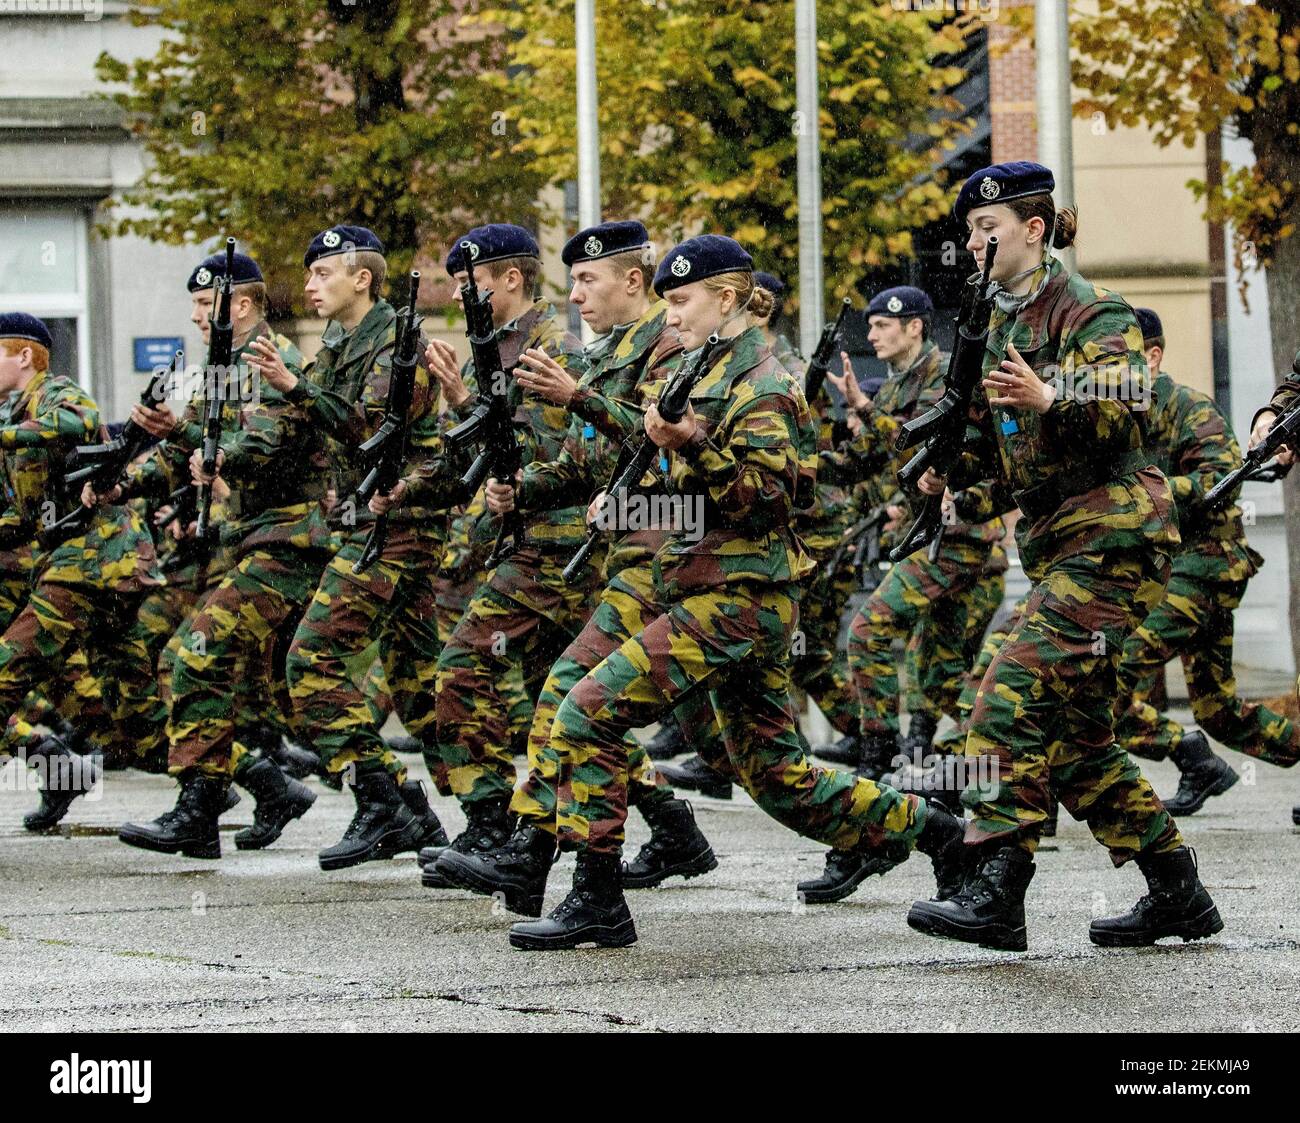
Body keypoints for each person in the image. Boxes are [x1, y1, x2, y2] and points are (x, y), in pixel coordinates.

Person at [506, 235, 966, 950]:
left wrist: (688, 444)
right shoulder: (704, 365)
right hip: (708, 590)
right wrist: (632, 496)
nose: (672, 314)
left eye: (681, 299)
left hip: (739, 598)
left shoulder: (768, 382)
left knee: (586, 711)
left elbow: (768, 499)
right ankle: (942, 833)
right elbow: (661, 455)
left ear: (725, 297)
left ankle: (596, 896)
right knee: (778, 779)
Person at [904, 161, 1221, 951]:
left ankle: (997, 886)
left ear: (1034, 230)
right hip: (1063, 543)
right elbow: (994, 444)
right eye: (969, 233)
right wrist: (951, 471)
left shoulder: (1087, 309)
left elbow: (1126, 409)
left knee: (1003, 699)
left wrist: (1053, 399)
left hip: (1114, 537)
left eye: (990, 230)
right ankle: (1178, 892)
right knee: (1078, 742)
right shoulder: (997, 322)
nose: (975, 245)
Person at [429, 220, 717, 915]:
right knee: (578, 707)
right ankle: (660, 834)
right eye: (575, 279)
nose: (577, 292)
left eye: (588, 279)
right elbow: (580, 459)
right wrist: (519, 486)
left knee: (549, 695)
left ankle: (522, 844)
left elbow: (664, 439)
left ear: (631, 281)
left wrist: (575, 400)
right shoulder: (602, 352)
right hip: (603, 550)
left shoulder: (664, 348)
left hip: (644, 554)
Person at [250, 227, 452, 870]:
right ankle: (460, 814)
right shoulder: (339, 344)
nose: (309, 286)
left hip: (400, 524)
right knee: (423, 686)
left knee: (310, 659)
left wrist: (292, 387)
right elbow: (299, 427)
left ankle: (381, 798)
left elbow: (369, 429)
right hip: (372, 524)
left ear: (361, 278)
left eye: (322, 273)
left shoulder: (400, 342)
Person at [1114, 308, 1299, 819]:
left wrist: (1143, 492)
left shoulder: (1190, 409)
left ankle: (1183, 755)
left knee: (1111, 668)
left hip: (1207, 566)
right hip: (1170, 572)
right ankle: (1200, 762)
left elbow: (1220, 484)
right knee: (1219, 711)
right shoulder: (1114, 416)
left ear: (1152, 356)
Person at [0, 312, 163, 828]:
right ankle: (260, 783)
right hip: (80, 567)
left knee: (6, 673)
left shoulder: (56, 393)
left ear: (24, 356)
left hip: (96, 561)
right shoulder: (14, 413)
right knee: (132, 720)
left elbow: (83, 422)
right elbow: (23, 518)